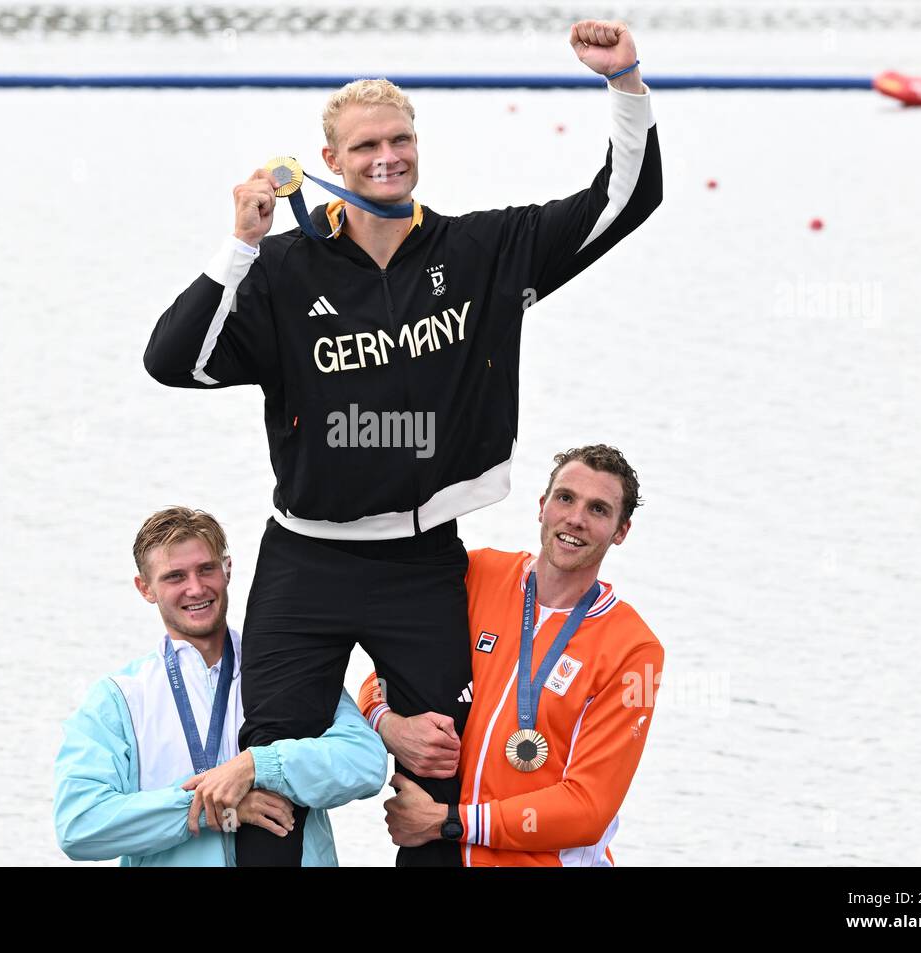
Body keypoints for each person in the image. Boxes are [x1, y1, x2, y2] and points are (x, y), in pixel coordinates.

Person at [143, 19, 662, 866]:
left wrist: (625, 84)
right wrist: (239, 245)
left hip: (421, 564)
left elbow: (622, 201)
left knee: (436, 784)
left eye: (400, 139)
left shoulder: (484, 250)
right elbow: (174, 362)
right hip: (303, 561)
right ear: (331, 159)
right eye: (365, 146)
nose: (386, 156)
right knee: (269, 788)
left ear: (417, 146)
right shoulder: (281, 270)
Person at [358, 445, 665, 866]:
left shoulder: (636, 650)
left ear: (620, 531)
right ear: (542, 506)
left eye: (598, 509)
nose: (575, 518)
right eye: (565, 498)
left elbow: (589, 808)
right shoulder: (475, 574)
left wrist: (449, 822)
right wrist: (387, 724)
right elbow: (383, 675)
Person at [53, 507, 386, 866]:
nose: (195, 588)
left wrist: (259, 766)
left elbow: (365, 763)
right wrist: (215, 804)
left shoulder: (291, 665)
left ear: (227, 568)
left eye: (205, 569)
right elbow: (79, 824)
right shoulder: (119, 698)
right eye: (175, 576)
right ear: (145, 588)